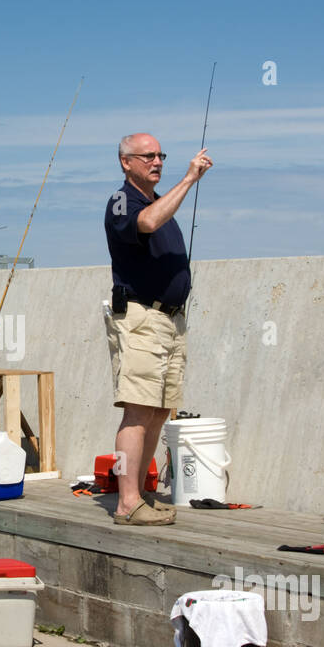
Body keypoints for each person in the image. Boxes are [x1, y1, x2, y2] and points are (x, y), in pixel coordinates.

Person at [103, 134, 213, 526]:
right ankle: (126, 501)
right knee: (137, 409)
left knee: (159, 409)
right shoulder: (123, 202)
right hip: (140, 318)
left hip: (169, 320)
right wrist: (188, 180)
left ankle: (141, 496)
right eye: (147, 156)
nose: (157, 161)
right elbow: (145, 224)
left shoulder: (156, 201)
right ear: (125, 162)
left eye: (160, 155)